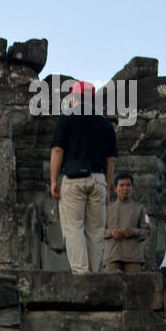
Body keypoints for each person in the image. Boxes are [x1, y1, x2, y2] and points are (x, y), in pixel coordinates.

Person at [50, 81, 117, 275]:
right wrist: (108, 186)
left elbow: (57, 149)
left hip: (73, 178)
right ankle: (94, 272)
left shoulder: (67, 119)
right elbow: (111, 160)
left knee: (74, 228)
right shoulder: (105, 124)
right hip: (98, 179)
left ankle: (81, 273)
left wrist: (54, 180)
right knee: (96, 230)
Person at [103, 173, 150, 273]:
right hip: (112, 256)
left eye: (128, 185)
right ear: (115, 188)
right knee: (110, 286)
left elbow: (147, 231)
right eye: (122, 185)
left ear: (132, 188)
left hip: (133, 257)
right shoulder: (107, 209)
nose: (125, 188)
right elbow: (98, 230)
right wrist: (111, 233)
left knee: (134, 286)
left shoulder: (140, 208)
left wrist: (133, 232)